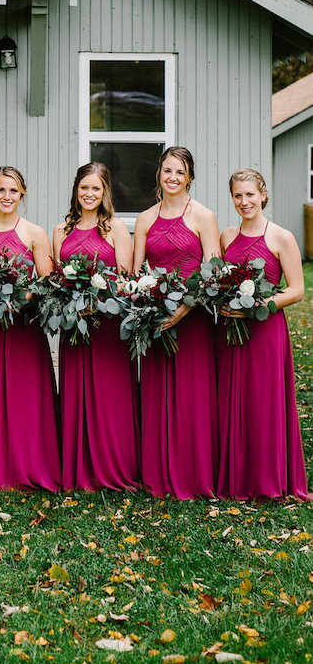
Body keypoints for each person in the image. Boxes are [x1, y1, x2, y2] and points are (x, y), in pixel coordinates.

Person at [0, 166, 59, 490]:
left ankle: (25, 464)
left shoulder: (35, 232)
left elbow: (46, 280)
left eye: (13, 191)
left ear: (22, 195)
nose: (6, 196)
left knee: (24, 396)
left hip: (22, 326)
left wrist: (22, 295)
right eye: (1, 190)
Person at [133, 146, 220, 499]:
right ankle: (157, 473)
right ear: (159, 174)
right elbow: (136, 271)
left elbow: (214, 271)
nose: (172, 178)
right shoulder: (145, 218)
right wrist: (148, 300)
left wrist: (184, 308)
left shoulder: (203, 216)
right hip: (157, 319)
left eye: (180, 172)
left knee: (192, 397)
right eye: (167, 171)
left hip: (192, 319)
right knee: (157, 395)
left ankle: (195, 475)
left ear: (190, 178)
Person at [217, 169, 309, 500]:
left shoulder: (281, 236)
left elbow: (297, 290)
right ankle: (238, 477)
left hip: (266, 332)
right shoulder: (227, 236)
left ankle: (269, 478)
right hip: (232, 334)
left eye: (250, 195)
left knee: (264, 402)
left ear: (263, 195)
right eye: (238, 196)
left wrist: (258, 304)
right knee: (235, 401)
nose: (244, 202)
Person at [52, 162, 139, 491]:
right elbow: (58, 276)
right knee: (76, 390)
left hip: (108, 325)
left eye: (96, 189)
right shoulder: (61, 230)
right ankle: (78, 468)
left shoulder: (115, 228)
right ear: (76, 189)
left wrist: (100, 298)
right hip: (74, 325)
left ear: (105, 193)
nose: (89, 194)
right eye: (84, 188)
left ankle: (113, 466)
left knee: (110, 394)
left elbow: (126, 278)